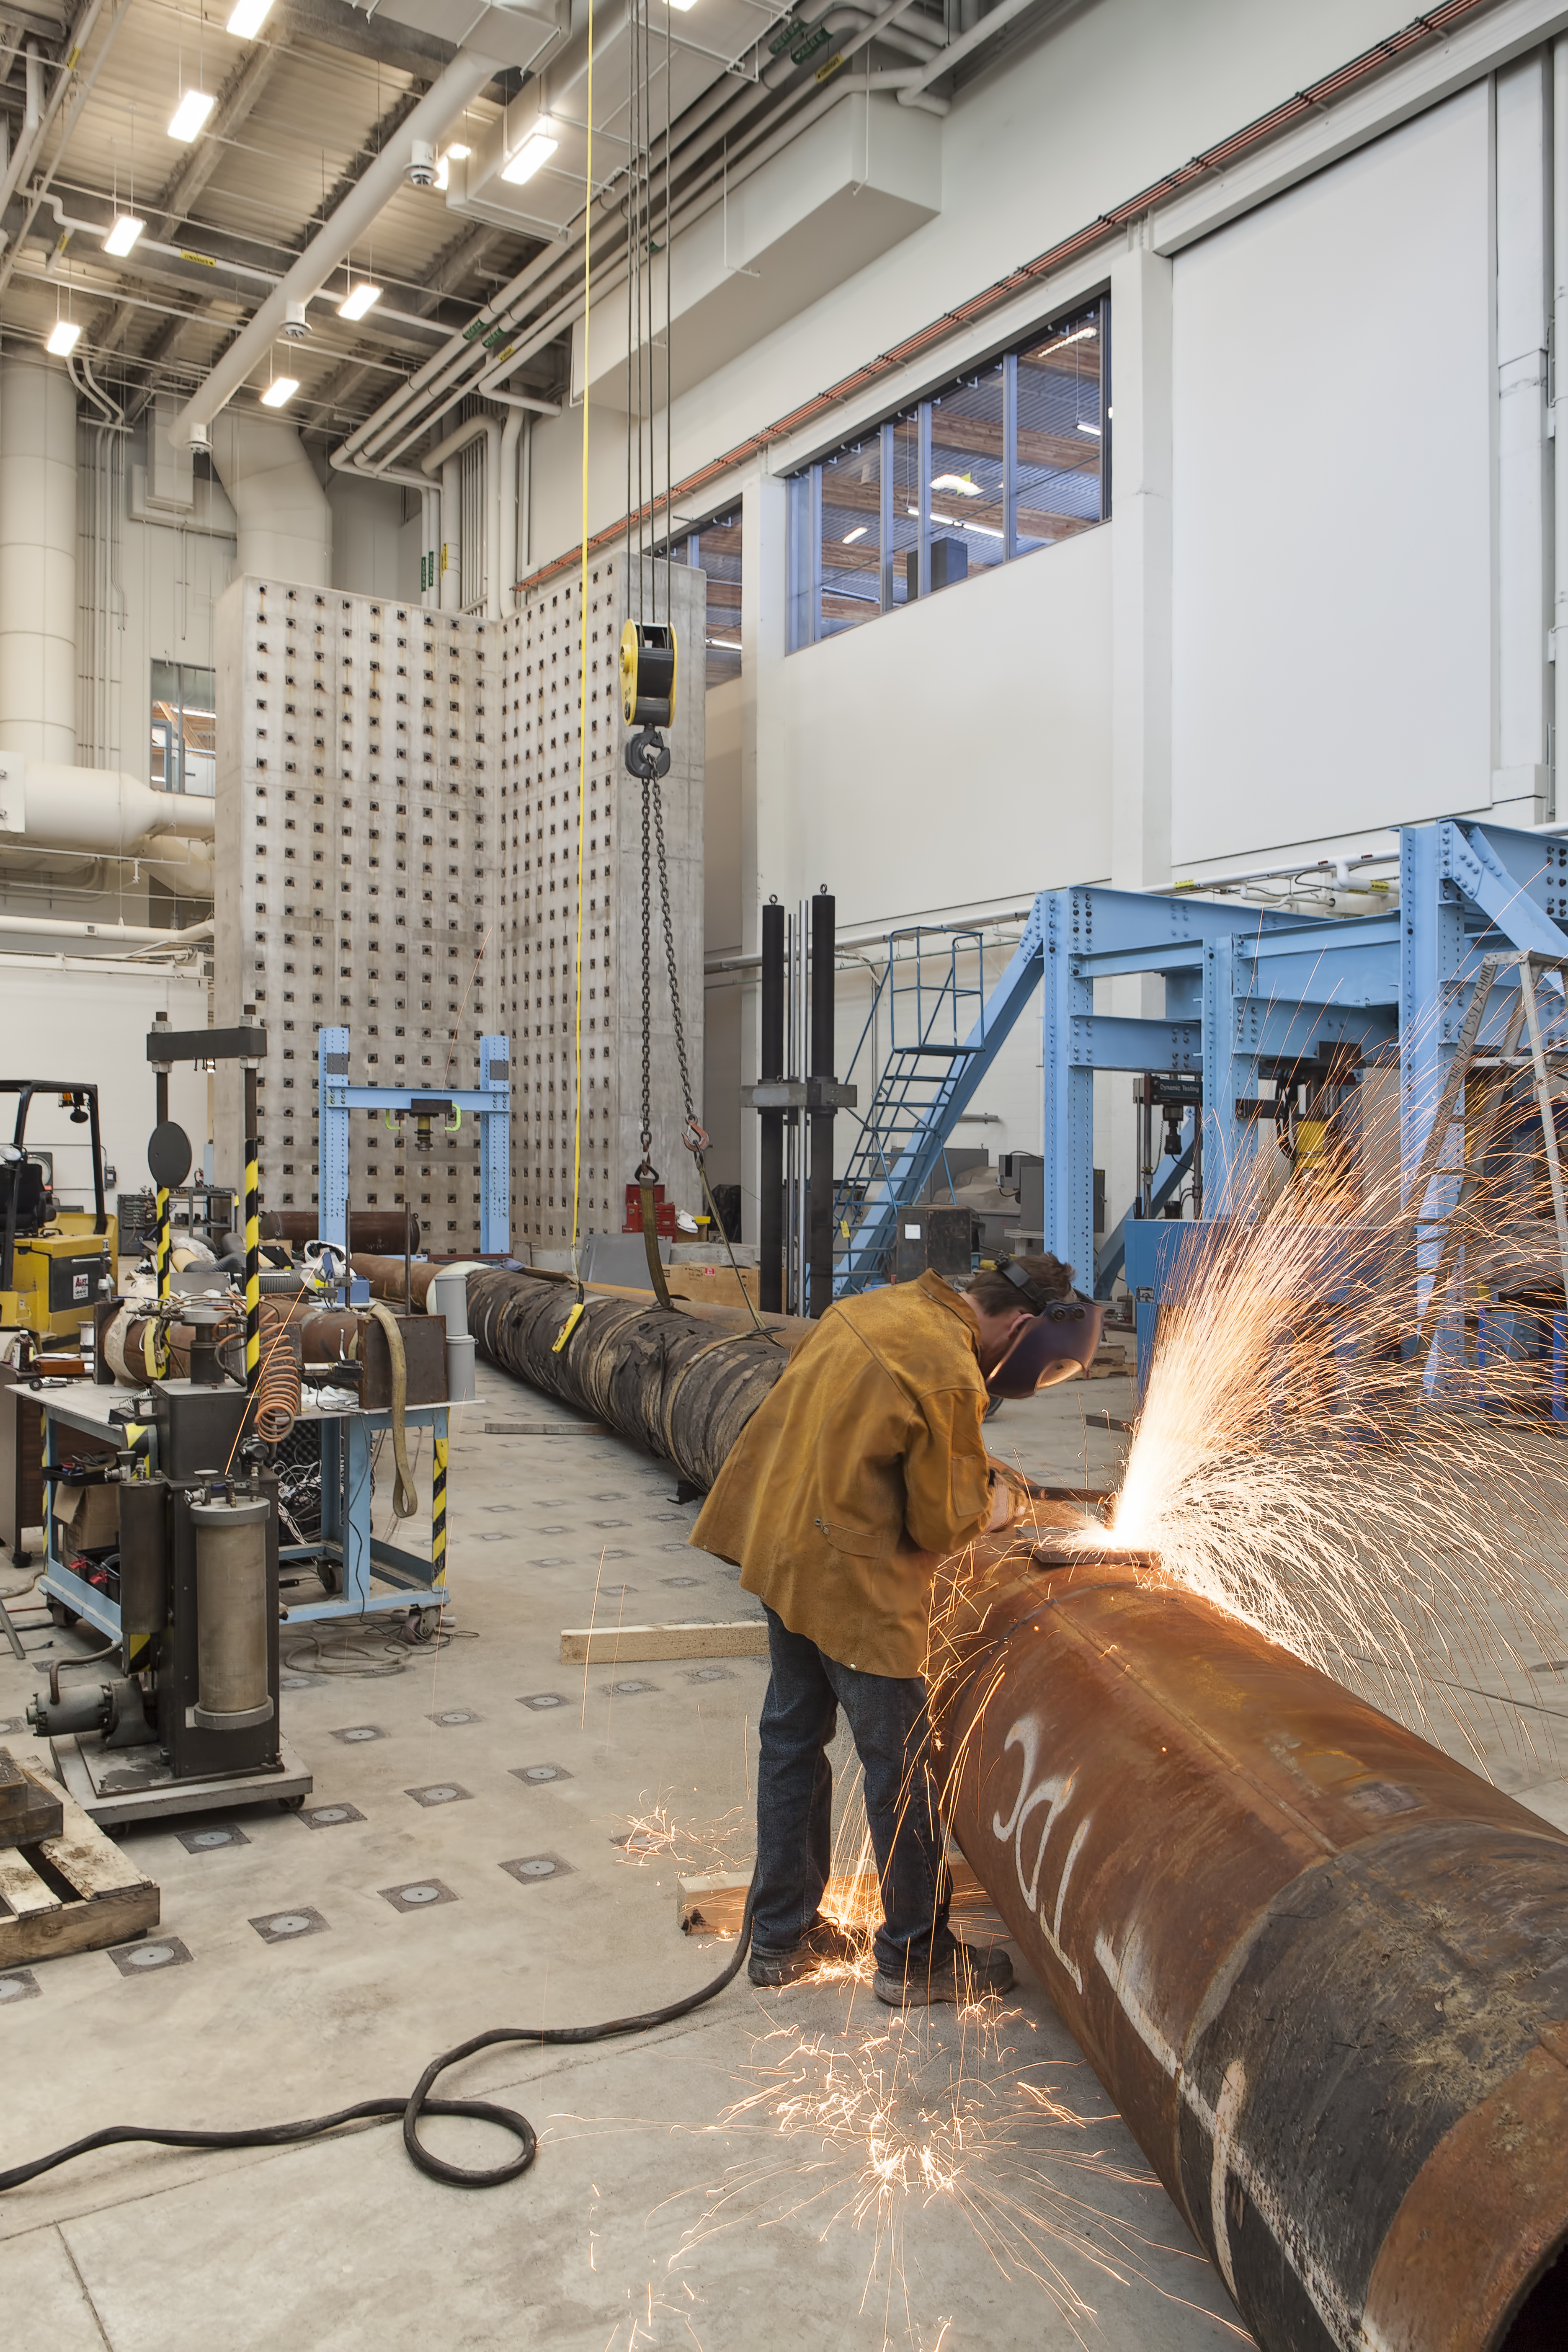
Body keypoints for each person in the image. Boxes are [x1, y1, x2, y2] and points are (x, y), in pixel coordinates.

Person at [690, 1252, 1075, 2006]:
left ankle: (782, 1936)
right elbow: (943, 1522)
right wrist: (1000, 1506)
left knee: (793, 1739)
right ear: (1023, 1326)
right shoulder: (952, 1370)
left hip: (786, 1545)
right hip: (853, 1578)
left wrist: (971, 1465)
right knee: (902, 1767)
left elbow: (870, 1431)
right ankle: (916, 1955)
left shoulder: (879, 1308)